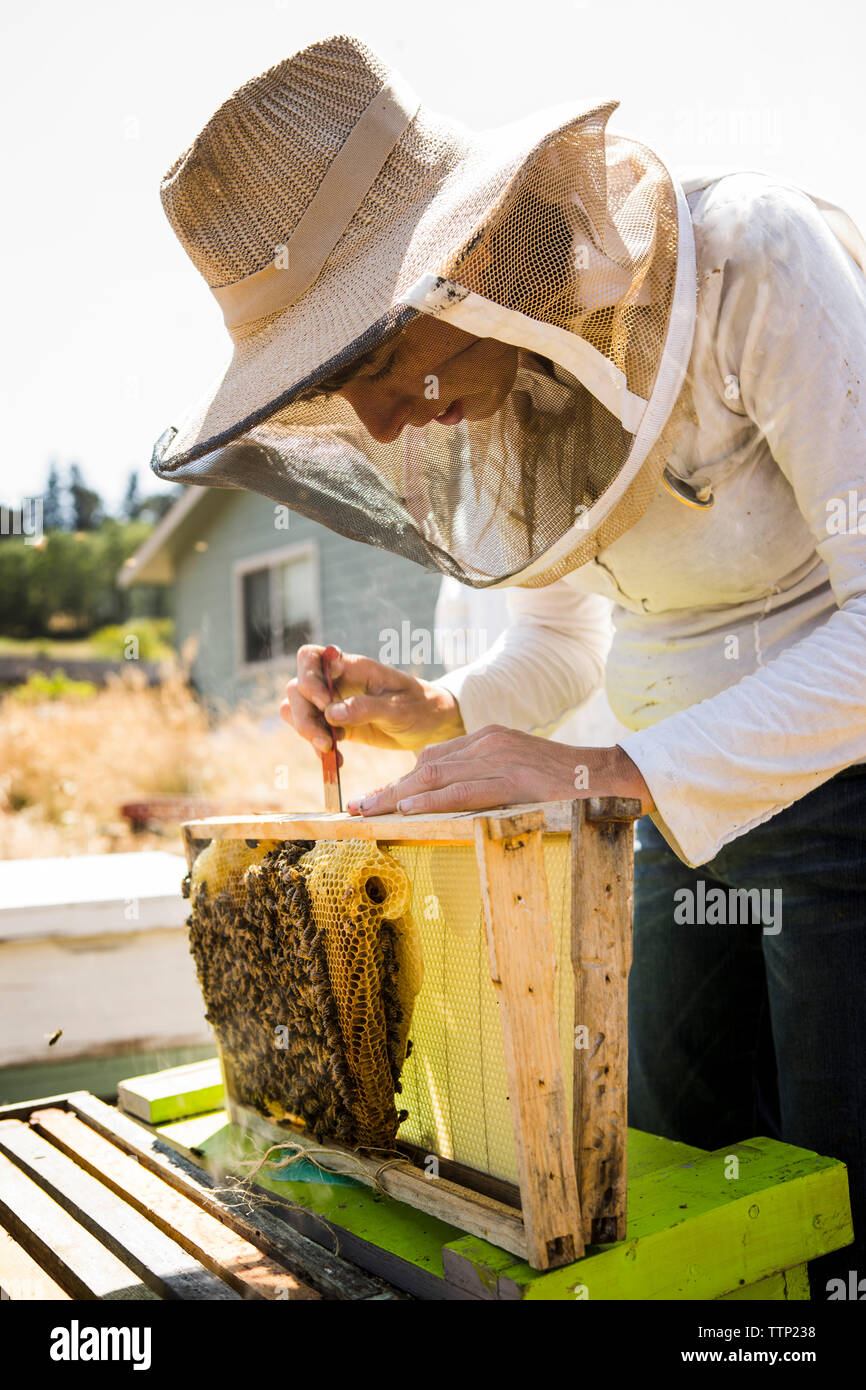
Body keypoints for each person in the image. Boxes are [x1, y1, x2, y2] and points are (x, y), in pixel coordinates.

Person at [151, 34, 866, 1297]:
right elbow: (554, 638)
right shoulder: (491, 408)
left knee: (839, 1205)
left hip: (838, 786)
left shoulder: (754, 258)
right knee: (665, 1188)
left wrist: (606, 763)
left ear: (469, 266)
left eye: (370, 364)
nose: (375, 426)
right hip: (661, 821)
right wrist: (432, 708)